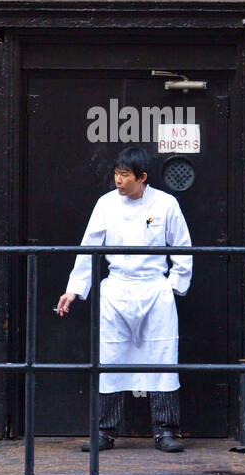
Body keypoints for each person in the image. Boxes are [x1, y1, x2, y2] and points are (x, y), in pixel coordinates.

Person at [55, 146, 193, 452]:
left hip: (154, 290)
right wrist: (74, 289)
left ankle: (166, 431)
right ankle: (104, 431)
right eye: (116, 173)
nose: (118, 180)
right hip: (116, 289)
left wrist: (172, 286)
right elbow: (89, 246)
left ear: (142, 177)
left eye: (125, 175)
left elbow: (182, 248)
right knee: (110, 360)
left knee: (162, 360)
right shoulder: (106, 205)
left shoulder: (166, 204)